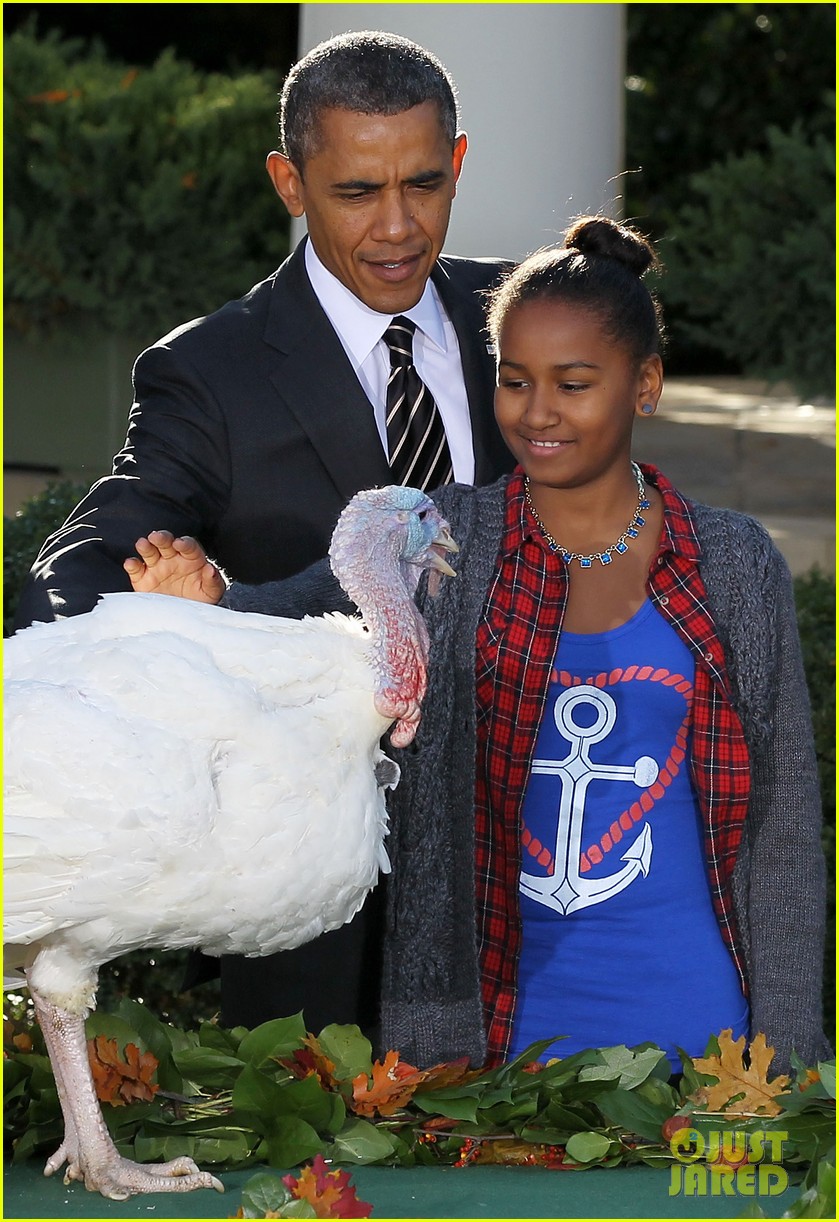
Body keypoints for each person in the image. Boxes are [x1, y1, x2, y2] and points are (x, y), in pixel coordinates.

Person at [130, 216, 829, 1075]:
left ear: (644, 384)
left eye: (573, 384)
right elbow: (294, 617)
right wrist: (210, 601)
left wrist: (787, 1056)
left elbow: (781, 823)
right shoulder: (445, 540)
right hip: (482, 1042)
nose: (537, 413)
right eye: (514, 380)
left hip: (699, 1032)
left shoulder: (731, 562)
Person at [13, 30, 514, 1036]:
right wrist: (158, 622)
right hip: (310, 901)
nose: (396, 225)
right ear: (289, 183)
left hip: (522, 855)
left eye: (422, 183)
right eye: (355, 191)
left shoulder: (525, 316)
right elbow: (81, 560)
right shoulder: (212, 371)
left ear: (457, 162)